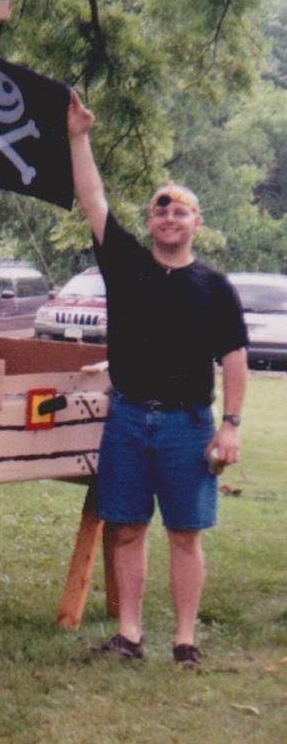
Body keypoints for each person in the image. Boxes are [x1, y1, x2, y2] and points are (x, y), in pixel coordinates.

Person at [68, 91, 248, 670]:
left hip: (186, 425)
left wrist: (231, 426)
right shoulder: (125, 264)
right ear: (150, 222)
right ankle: (129, 634)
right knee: (124, 529)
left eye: (180, 210)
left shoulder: (215, 287)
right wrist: (78, 137)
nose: (169, 217)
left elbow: (236, 359)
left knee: (185, 534)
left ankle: (185, 640)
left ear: (197, 222)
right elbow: (92, 197)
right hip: (126, 418)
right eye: (160, 210)